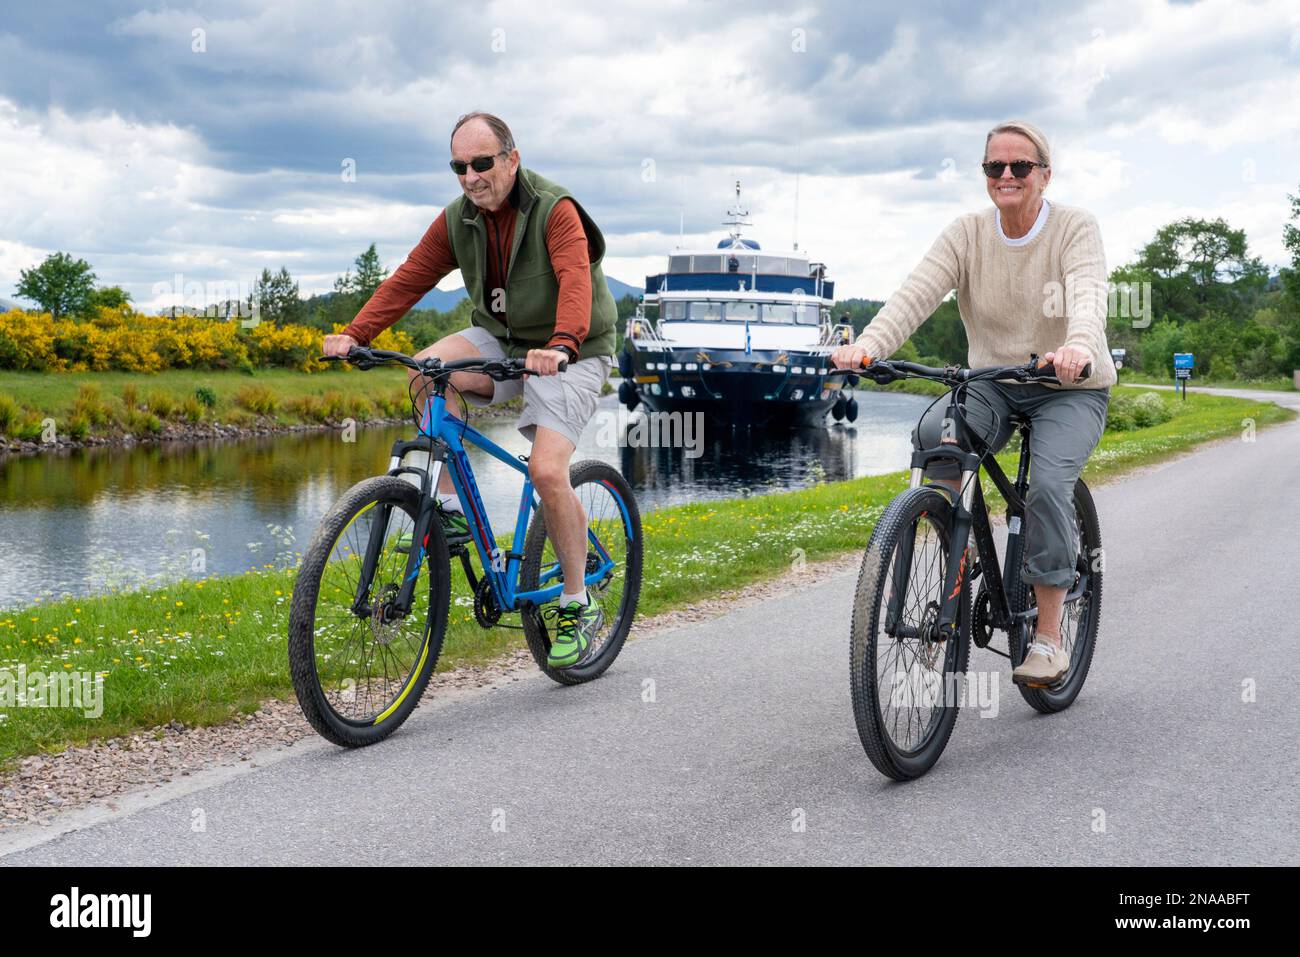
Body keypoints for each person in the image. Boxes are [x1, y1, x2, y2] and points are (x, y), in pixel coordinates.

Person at [322, 111, 618, 669]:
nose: (470, 176)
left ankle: (577, 604)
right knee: (427, 369)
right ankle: (453, 508)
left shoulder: (556, 210)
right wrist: (356, 333)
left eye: (482, 163)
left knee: (548, 471)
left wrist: (560, 344)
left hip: (572, 347)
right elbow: (411, 276)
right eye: (458, 166)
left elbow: (576, 280)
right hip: (504, 340)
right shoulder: (458, 219)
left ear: (512, 158)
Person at [831, 119, 1117, 687]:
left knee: (1046, 489)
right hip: (992, 380)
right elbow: (917, 292)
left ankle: (1049, 636)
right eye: (994, 167)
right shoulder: (966, 233)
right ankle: (951, 556)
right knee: (937, 439)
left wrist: (1078, 346)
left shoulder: (1074, 227)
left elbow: (1088, 294)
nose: (1006, 176)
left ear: (1045, 174)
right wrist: (867, 346)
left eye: (1020, 166)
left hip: (1069, 385)